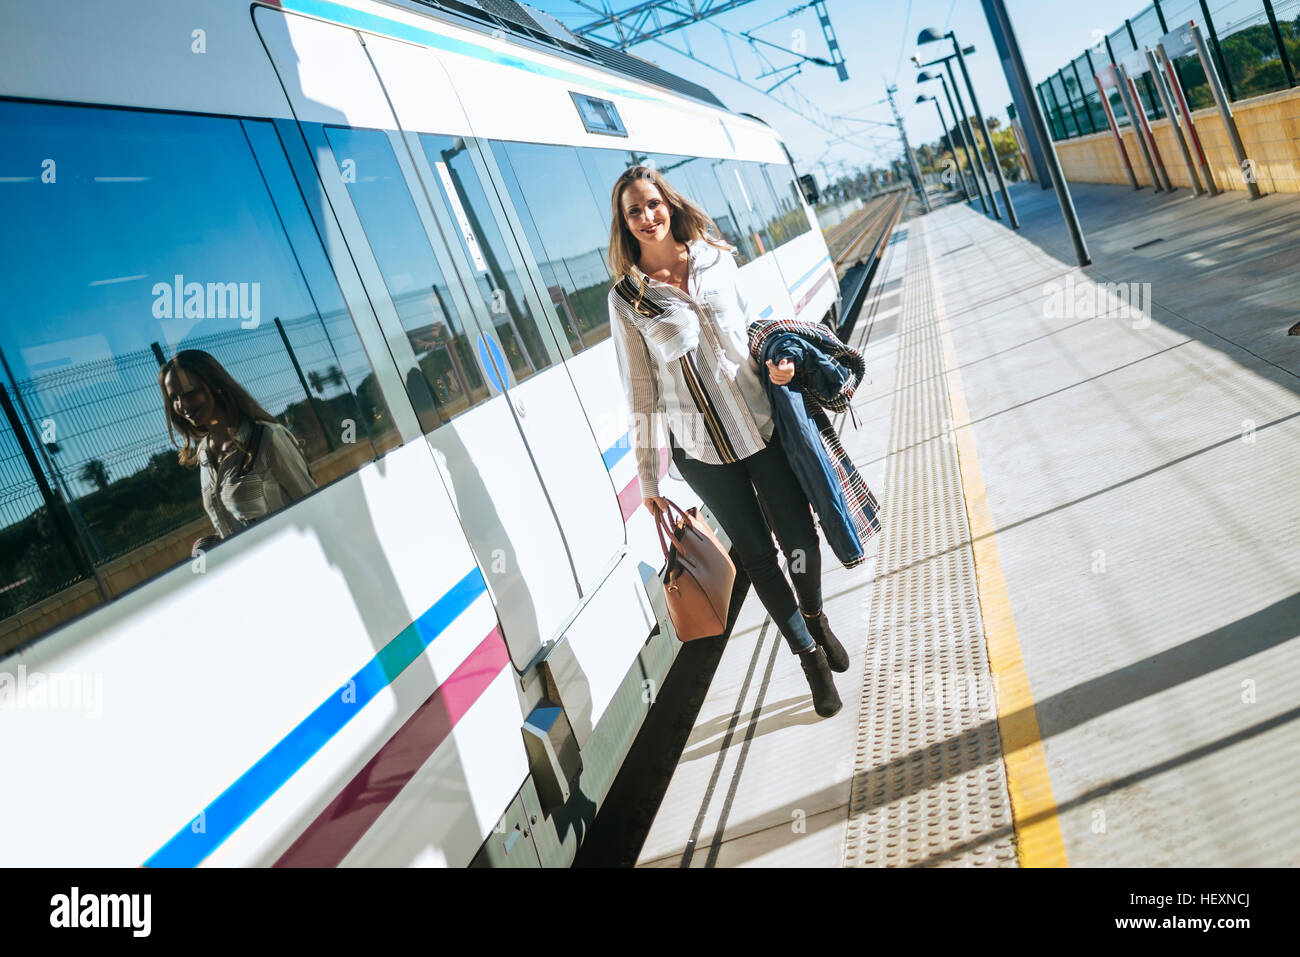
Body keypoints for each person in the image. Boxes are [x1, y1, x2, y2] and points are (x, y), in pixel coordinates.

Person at [606, 165, 848, 718]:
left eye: (652, 204)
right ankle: (809, 657)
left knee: (798, 538)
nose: (647, 218)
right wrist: (648, 480)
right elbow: (639, 392)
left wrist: (780, 365)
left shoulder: (716, 257)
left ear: (669, 203)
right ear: (624, 226)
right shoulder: (628, 299)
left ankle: (815, 617)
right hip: (702, 452)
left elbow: (753, 332)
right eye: (633, 212)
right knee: (760, 558)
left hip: (760, 426)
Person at [158, 349, 317, 545]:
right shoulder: (204, 455)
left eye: (191, 392)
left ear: (215, 385)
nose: (182, 405)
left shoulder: (268, 437)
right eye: (174, 398)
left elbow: (315, 504)